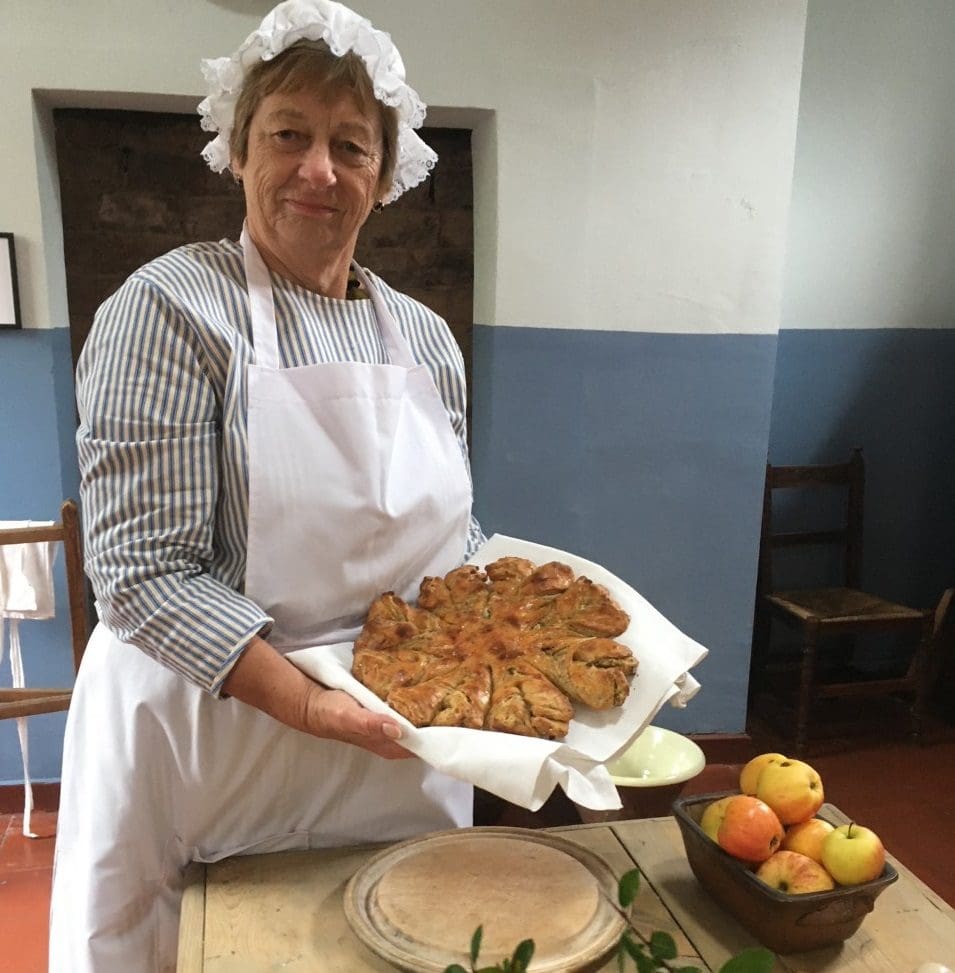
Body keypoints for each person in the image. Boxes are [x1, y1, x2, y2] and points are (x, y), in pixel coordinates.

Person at [48, 2, 483, 969]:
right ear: (239, 150)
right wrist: (310, 704)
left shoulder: (424, 337)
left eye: (351, 146)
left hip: (390, 747)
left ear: (385, 174)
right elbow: (142, 574)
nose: (319, 170)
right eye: (289, 133)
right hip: (212, 746)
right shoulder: (168, 309)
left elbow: (452, 541)